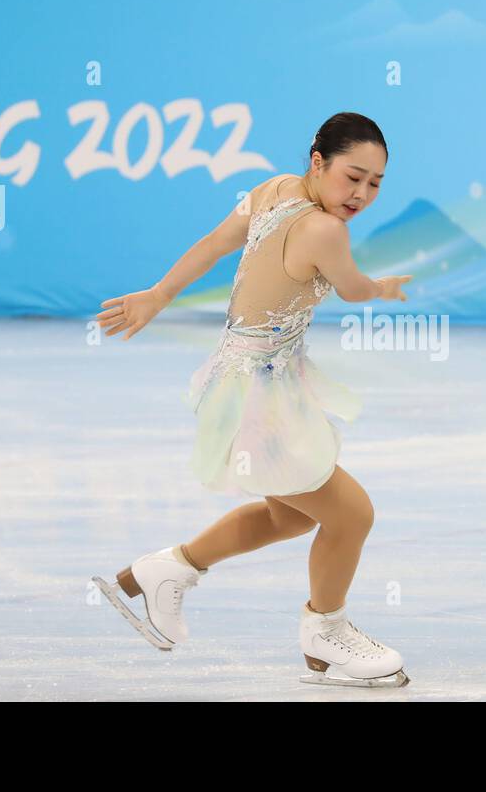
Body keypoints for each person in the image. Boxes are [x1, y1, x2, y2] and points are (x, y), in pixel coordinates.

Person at [92, 112, 413, 687]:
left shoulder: (272, 188)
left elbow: (215, 244)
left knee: (287, 515)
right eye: (353, 176)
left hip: (243, 379)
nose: (362, 194)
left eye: (375, 183)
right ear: (319, 162)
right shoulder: (325, 231)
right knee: (352, 515)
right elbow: (353, 288)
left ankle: (168, 569)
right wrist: (383, 287)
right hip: (262, 395)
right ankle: (326, 633)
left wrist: (160, 293)